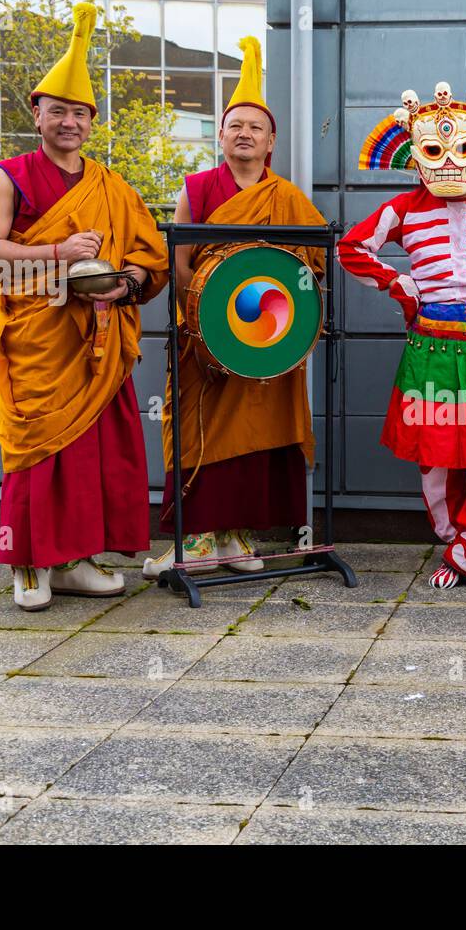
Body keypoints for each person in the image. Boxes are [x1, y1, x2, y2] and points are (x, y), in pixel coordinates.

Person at [0, 2, 168, 611]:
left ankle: (79, 559)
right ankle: (29, 565)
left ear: (91, 121)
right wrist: (59, 251)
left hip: (99, 339)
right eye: (57, 111)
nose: (68, 122)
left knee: (95, 451)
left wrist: (127, 285)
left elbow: (149, 255)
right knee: (37, 449)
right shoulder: (11, 177)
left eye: (79, 113)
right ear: (37, 114)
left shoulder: (113, 185)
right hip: (40, 337)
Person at [338, 83, 466, 589]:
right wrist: (400, 284)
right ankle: (457, 545)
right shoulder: (404, 207)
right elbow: (351, 248)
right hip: (431, 348)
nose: (449, 160)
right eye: (434, 149)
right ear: (414, 153)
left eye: (462, 147)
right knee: (436, 453)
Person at [142, 37, 327, 579]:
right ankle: (196, 540)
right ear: (220, 135)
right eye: (235, 125)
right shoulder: (197, 188)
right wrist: (201, 323)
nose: (244, 134)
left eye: (256, 127)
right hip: (205, 336)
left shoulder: (286, 196)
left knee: (257, 433)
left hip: (268, 335)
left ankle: (239, 538)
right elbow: (179, 263)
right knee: (197, 427)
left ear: (272, 141)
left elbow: (314, 261)